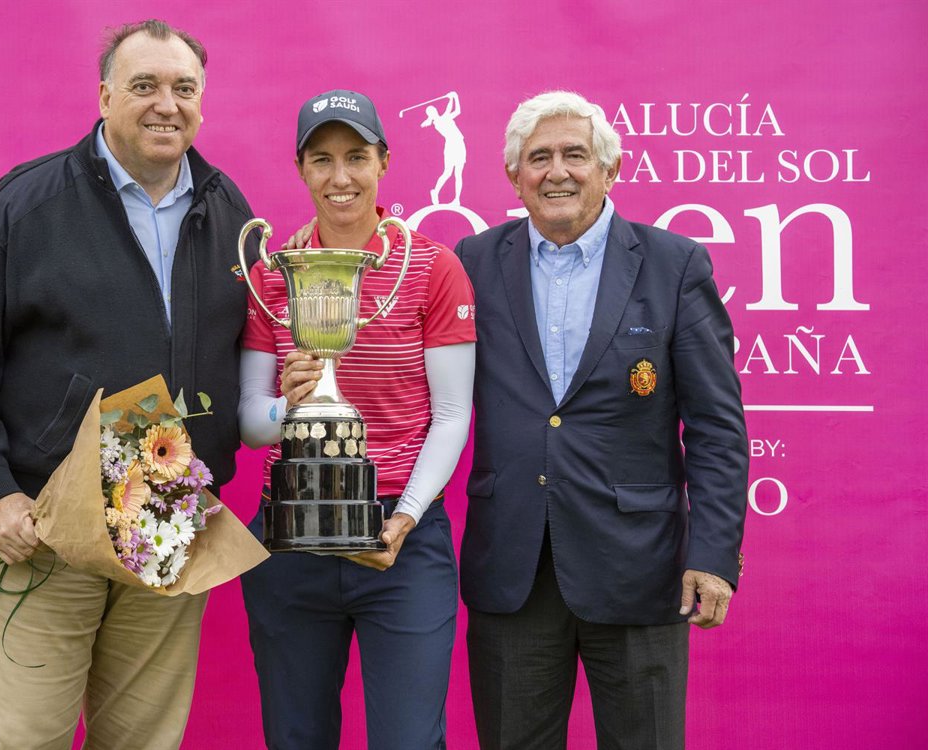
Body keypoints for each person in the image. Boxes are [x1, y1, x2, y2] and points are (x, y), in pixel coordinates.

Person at [0, 20, 256, 750]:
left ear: (202, 101)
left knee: (143, 739)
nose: (166, 104)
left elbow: (235, 363)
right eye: (144, 86)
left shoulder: (229, 212)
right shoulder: (27, 206)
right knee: (24, 736)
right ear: (105, 96)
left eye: (183, 88)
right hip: (42, 522)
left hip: (167, 512)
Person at [455, 90, 748, 750]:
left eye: (574, 155)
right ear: (513, 176)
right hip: (514, 572)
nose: (556, 171)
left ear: (610, 170)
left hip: (640, 572)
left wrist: (713, 555)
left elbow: (716, 425)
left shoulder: (674, 265)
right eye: (538, 157)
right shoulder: (471, 262)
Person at [237, 89, 476, 749]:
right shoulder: (273, 275)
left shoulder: (432, 268)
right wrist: (288, 404)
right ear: (301, 168)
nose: (340, 177)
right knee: (296, 737)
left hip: (401, 538)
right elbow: (253, 423)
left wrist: (404, 520)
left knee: (408, 740)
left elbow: (453, 415)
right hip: (290, 536)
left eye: (356, 157)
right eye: (322, 160)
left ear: (384, 162)